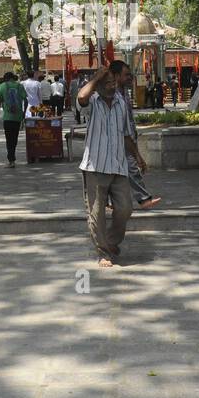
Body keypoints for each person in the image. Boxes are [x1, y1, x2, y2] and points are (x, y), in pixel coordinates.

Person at [77, 65, 143, 267]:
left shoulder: (121, 102)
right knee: (96, 212)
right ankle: (103, 252)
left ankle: (112, 241)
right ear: (98, 86)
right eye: (107, 83)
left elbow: (125, 134)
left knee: (125, 209)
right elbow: (81, 99)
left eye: (113, 82)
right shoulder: (92, 103)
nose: (112, 87)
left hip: (118, 165)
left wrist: (137, 156)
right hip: (95, 166)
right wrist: (96, 79)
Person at [110, 60, 161, 210]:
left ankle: (112, 201)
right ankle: (143, 199)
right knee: (131, 167)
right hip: (119, 138)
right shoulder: (112, 95)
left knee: (121, 170)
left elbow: (128, 117)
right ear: (116, 75)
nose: (129, 78)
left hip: (128, 136)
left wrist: (134, 132)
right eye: (126, 75)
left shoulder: (124, 92)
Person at [0, 71, 28, 166]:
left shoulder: (3, 86)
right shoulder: (19, 86)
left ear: (6, 78)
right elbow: (26, 100)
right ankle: (12, 157)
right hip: (17, 117)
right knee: (14, 139)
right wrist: (24, 112)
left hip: (7, 117)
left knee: (8, 138)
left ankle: (11, 160)